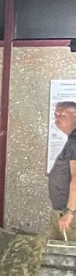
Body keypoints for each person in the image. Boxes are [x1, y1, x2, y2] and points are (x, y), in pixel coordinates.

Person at [50, 100, 76, 239]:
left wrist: (70, 212)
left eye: (63, 116)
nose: (57, 120)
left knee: (67, 256)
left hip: (70, 215)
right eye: (56, 115)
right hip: (63, 212)